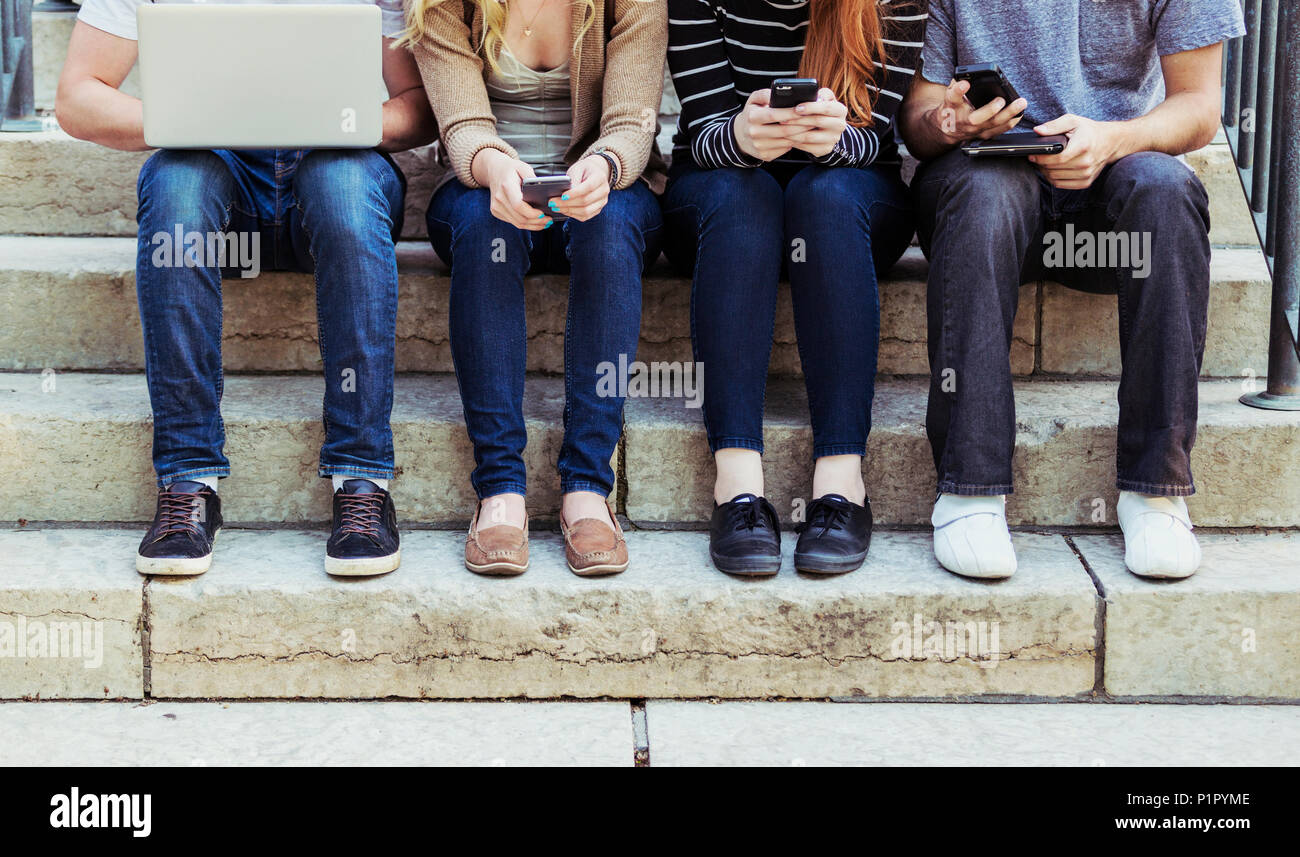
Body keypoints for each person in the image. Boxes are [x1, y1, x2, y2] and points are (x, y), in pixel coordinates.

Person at [56, 0, 437, 577]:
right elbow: (78, 97)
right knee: (176, 186)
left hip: (334, 179)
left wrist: (344, 123)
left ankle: (362, 480)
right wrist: (192, 122)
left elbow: (420, 105)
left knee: (342, 186)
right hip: (223, 204)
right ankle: (188, 482)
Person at [898, 0, 1245, 580]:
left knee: (1165, 189)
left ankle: (1155, 493)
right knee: (983, 193)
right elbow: (917, 118)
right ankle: (969, 491)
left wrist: (1111, 141)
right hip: (987, 197)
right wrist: (950, 123)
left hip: (1112, 199)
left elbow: (1199, 106)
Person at [401, 0, 667, 576]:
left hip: (602, 188)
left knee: (610, 228)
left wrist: (605, 166)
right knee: (485, 229)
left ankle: (587, 489)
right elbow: (461, 125)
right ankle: (500, 489)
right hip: (485, 189)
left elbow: (632, 120)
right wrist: (496, 168)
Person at [662, 0, 928, 575]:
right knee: (745, 197)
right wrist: (741, 136)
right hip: (718, 191)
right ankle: (737, 490)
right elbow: (702, 128)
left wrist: (830, 141)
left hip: (850, 193)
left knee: (822, 196)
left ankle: (841, 485)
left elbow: (878, 136)